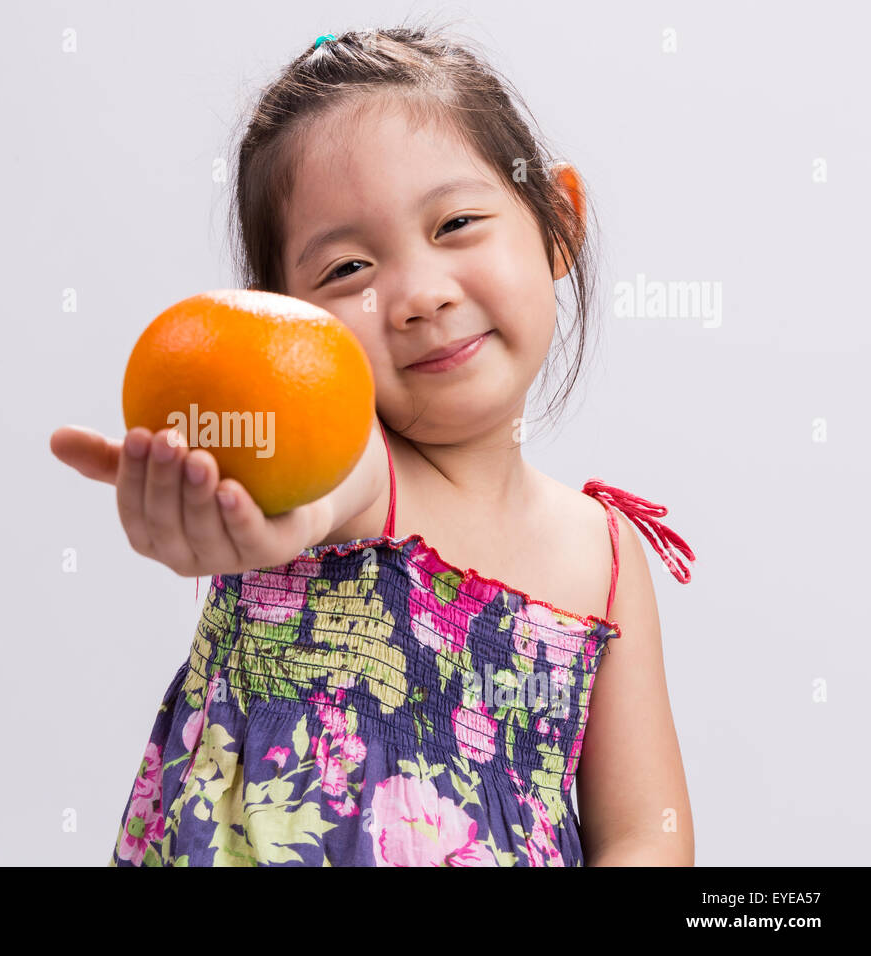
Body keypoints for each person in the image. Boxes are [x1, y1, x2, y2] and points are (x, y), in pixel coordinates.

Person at [51, 23, 696, 866]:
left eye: (457, 221)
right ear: (285, 322)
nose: (419, 296)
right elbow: (312, 496)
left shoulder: (605, 552)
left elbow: (646, 830)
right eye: (347, 270)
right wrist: (242, 521)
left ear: (558, 222)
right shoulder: (355, 467)